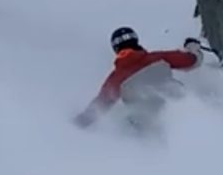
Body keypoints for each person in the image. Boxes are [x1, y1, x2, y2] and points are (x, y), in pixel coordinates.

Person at [73, 26, 207, 132]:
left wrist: (75, 125)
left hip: (147, 126)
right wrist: (192, 47)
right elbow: (193, 61)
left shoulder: (116, 78)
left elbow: (99, 106)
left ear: (115, 49)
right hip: (180, 110)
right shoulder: (158, 58)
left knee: (128, 123)